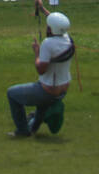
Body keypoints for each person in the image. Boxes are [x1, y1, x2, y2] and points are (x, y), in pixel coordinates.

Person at [7, 9, 74, 138]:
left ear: (52, 29)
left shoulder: (48, 44)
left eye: (48, 26)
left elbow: (41, 69)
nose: (46, 27)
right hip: (63, 90)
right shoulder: (68, 39)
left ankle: (22, 131)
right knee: (42, 105)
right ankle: (33, 127)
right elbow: (57, 23)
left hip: (48, 92)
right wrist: (42, 9)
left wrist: (37, 52)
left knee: (12, 93)